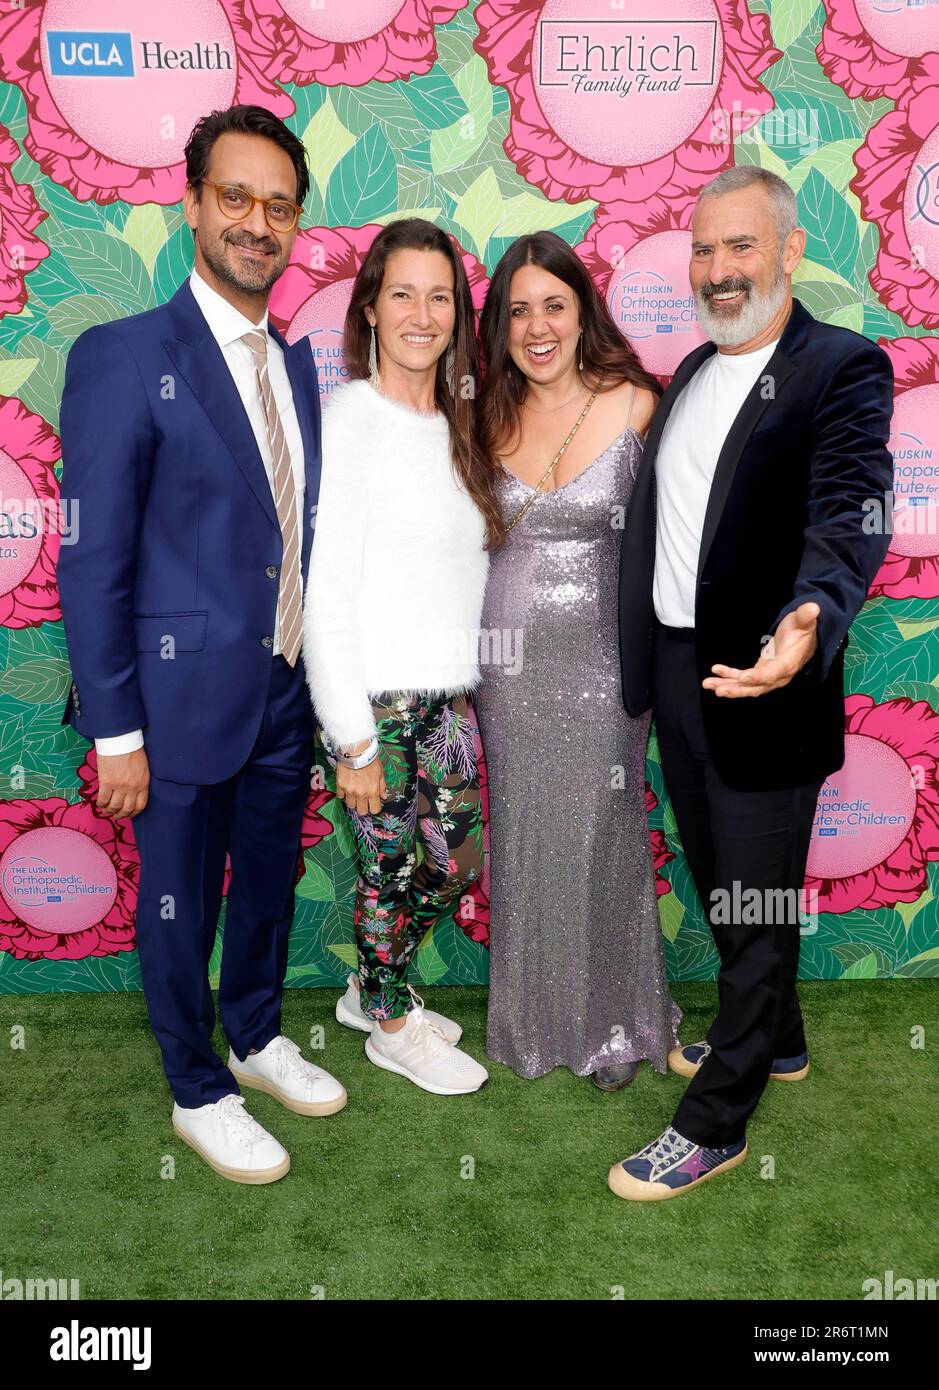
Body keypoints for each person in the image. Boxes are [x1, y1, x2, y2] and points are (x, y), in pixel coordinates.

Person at [57, 106, 347, 1187]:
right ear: (191, 204)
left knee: (266, 881)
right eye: (235, 197)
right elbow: (92, 558)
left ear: (296, 222)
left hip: (281, 688)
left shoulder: (295, 365)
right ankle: (196, 1087)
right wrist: (116, 731)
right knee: (179, 902)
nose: (257, 223)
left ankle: (256, 1035)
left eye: (279, 205)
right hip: (171, 703)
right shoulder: (125, 356)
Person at [611, 166, 894, 1200]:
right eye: (703, 249)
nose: (718, 269)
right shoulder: (692, 368)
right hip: (677, 671)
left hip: (769, 678)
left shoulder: (840, 367)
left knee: (758, 895)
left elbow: (851, 507)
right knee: (723, 880)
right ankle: (777, 1037)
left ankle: (715, 1122)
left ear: (789, 252)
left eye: (740, 246)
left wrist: (809, 613)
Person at [473, 231, 681, 1089]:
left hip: (604, 658)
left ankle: (615, 1022)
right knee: (524, 831)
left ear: (581, 311)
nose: (537, 326)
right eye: (518, 310)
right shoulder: (481, 416)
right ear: (500, 325)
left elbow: (682, 534)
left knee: (604, 828)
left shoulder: (636, 404)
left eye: (552, 305)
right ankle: (532, 1019)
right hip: (505, 665)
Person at [302, 218, 502, 1095]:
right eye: (402, 295)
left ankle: (368, 988)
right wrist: (351, 737)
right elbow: (325, 588)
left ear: (457, 314)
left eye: (440, 297)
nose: (422, 314)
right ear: (371, 310)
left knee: (455, 863)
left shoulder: (462, 424)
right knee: (385, 871)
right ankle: (388, 1021)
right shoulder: (350, 421)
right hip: (372, 698)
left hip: (446, 694)